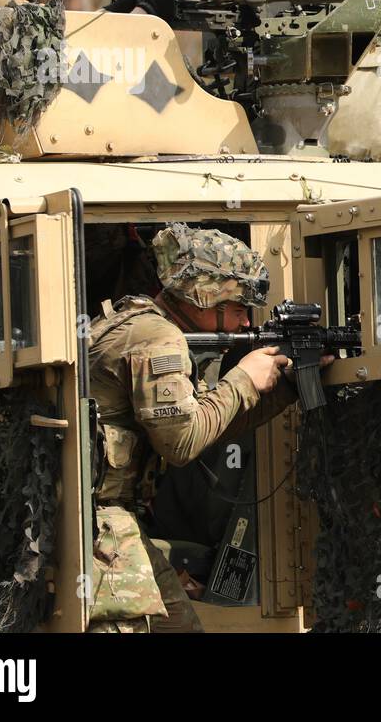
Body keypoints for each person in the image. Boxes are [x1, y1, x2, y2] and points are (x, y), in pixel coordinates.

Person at [86, 223, 305, 632]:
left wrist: (282, 387)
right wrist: (242, 378)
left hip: (111, 523)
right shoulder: (157, 338)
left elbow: (206, 425)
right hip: (101, 527)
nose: (243, 324)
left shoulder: (143, 322)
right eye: (238, 308)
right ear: (204, 297)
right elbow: (183, 443)